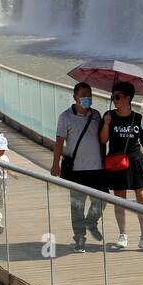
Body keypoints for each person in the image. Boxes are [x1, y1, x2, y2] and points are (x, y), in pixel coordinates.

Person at [100, 81, 143, 252]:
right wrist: (106, 123)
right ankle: (122, 234)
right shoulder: (109, 116)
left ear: (127, 98)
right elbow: (103, 140)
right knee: (120, 198)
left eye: (118, 97)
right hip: (117, 161)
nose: (114, 100)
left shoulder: (138, 118)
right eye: (113, 97)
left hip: (135, 161)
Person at [50, 81, 106, 253]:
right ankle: (80, 238)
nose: (88, 99)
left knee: (102, 200)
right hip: (75, 169)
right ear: (75, 97)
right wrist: (55, 164)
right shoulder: (65, 117)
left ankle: (91, 221)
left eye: (90, 95)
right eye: (84, 96)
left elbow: (103, 139)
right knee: (77, 206)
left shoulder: (97, 115)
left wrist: (109, 121)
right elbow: (59, 142)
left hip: (97, 168)